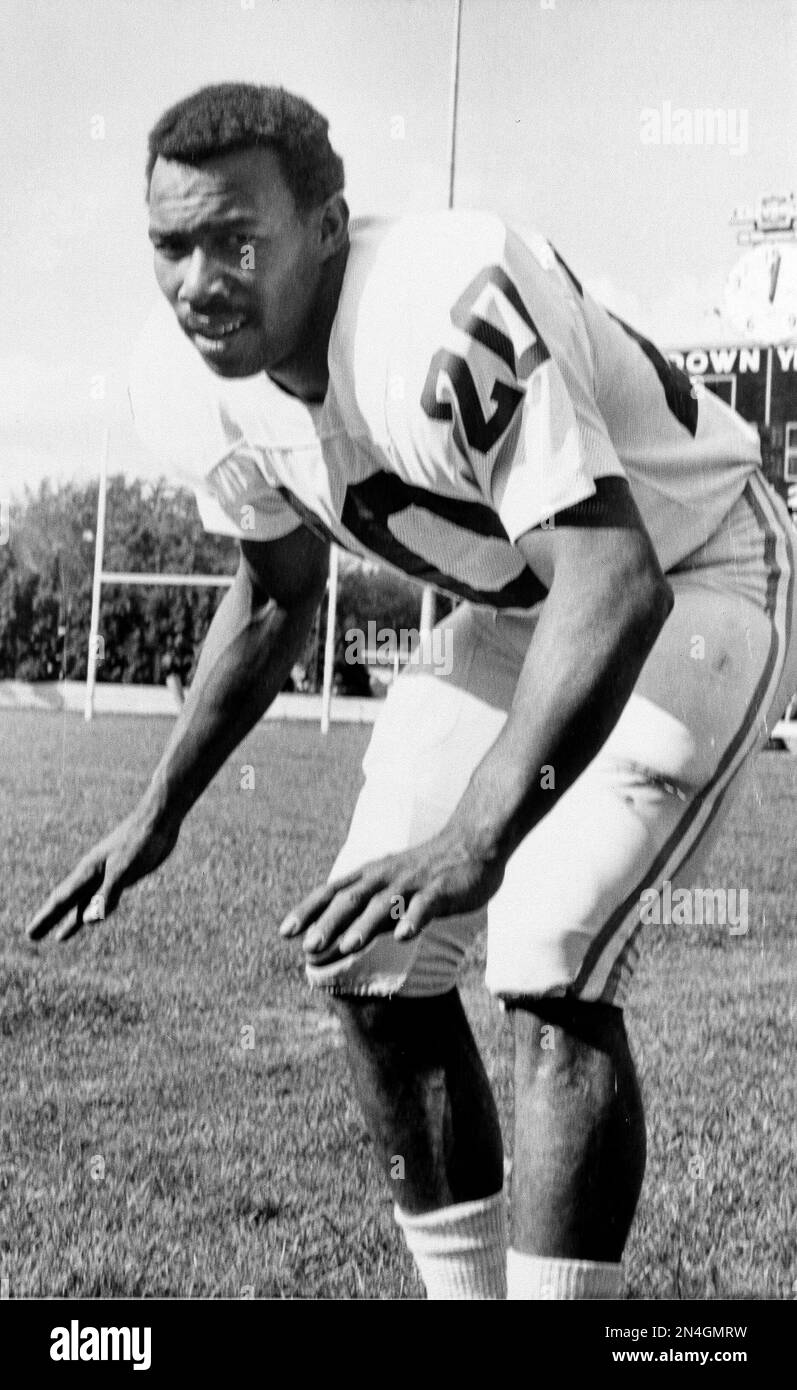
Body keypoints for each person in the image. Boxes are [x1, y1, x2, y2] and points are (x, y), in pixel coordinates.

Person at [27, 83, 797, 1300]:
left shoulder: (435, 303)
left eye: (237, 239)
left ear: (330, 225)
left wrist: (480, 831)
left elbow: (612, 579)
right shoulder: (185, 384)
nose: (198, 282)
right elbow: (279, 590)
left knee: (545, 951)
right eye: (170, 246)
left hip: (690, 565)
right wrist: (156, 810)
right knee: (371, 966)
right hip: (518, 604)